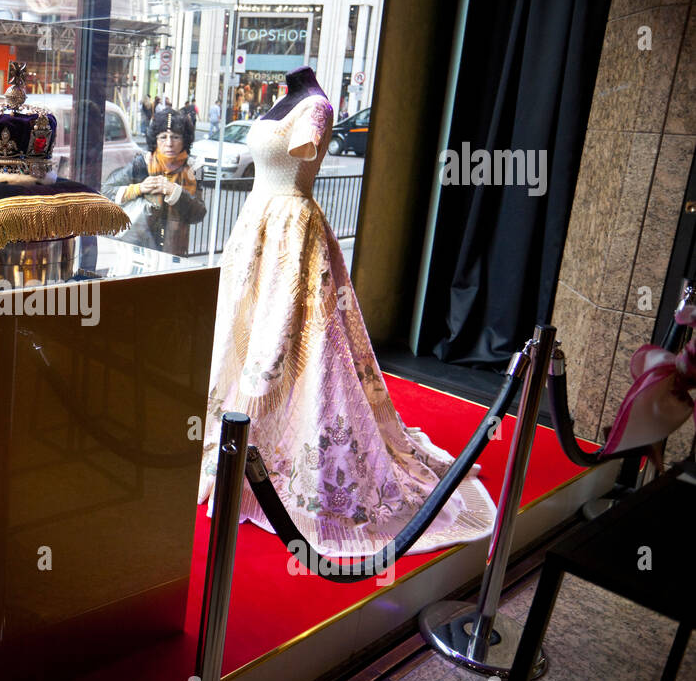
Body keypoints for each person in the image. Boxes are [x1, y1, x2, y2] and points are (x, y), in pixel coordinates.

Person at [197, 66, 496, 558]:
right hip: (255, 230)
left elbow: (298, 157)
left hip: (293, 234)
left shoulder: (316, 106)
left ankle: (271, 450)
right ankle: (232, 435)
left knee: (292, 345)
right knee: (243, 337)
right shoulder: (286, 99)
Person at [102, 106, 206, 255]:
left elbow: (199, 213)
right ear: (155, 140)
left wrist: (175, 192)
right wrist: (139, 188)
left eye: (176, 137)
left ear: (184, 140)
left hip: (174, 252)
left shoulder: (195, 168)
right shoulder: (142, 163)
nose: (169, 143)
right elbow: (106, 190)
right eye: (163, 137)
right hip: (137, 248)